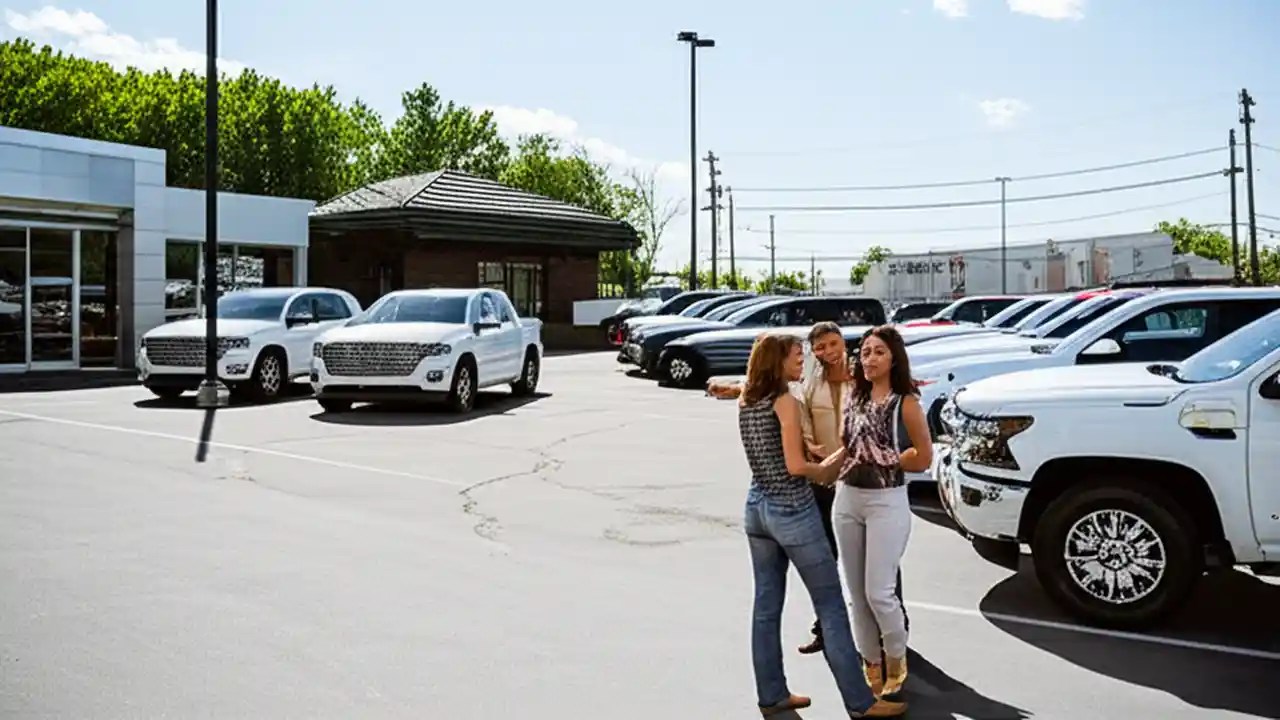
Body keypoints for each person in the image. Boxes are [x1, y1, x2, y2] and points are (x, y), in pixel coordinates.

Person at [738, 331, 907, 718]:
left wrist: (811, 450)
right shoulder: (784, 400)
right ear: (778, 360)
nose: (803, 361)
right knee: (831, 605)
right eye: (797, 356)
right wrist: (838, 459)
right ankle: (861, 703)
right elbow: (797, 468)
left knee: (766, 607)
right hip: (792, 509)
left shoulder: (749, 398)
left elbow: (781, 451)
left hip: (757, 507)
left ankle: (772, 695)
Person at [795, 323, 910, 656]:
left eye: (832, 344)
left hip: (866, 481)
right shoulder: (810, 383)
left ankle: (895, 634)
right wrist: (807, 448)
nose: (827, 352)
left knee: (881, 568)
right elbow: (801, 420)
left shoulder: (862, 380)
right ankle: (828, 629)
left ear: (842, 344)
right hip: (824, 481)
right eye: (820, 347)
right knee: (827, 561)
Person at [831, 325, 932, 699]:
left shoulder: (905, 402)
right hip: (847, 498)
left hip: (886, 501)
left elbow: (923, 457)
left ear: (893, 359)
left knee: (880, 592)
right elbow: (847, 448)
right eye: (866, 352)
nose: (869, 358)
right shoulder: (854, 397)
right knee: (856, 593)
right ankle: (870, 661)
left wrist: (889, 458)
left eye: (878, 352)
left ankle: (896, 657)